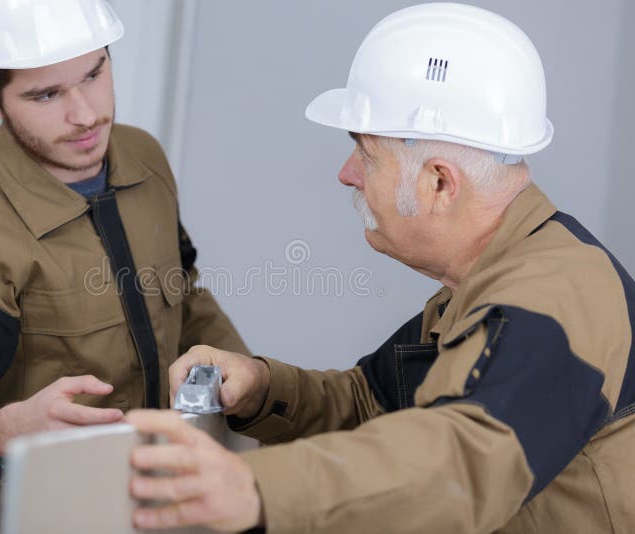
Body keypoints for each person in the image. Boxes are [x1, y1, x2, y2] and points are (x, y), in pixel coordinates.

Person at [125, 4, 635, 533]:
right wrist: (261, 386)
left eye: (365, 154)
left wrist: (253, 488)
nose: (346, 175)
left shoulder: (551, 299)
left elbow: (455, 466)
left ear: (440, 183)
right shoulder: (487, 280)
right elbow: (376, 403)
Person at [0, 1, 247, 532]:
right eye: (46, 94)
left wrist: (242, 379)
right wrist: (2, 434)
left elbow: (183, 294)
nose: (86, 115)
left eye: (94, 74)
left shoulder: (144, 160)